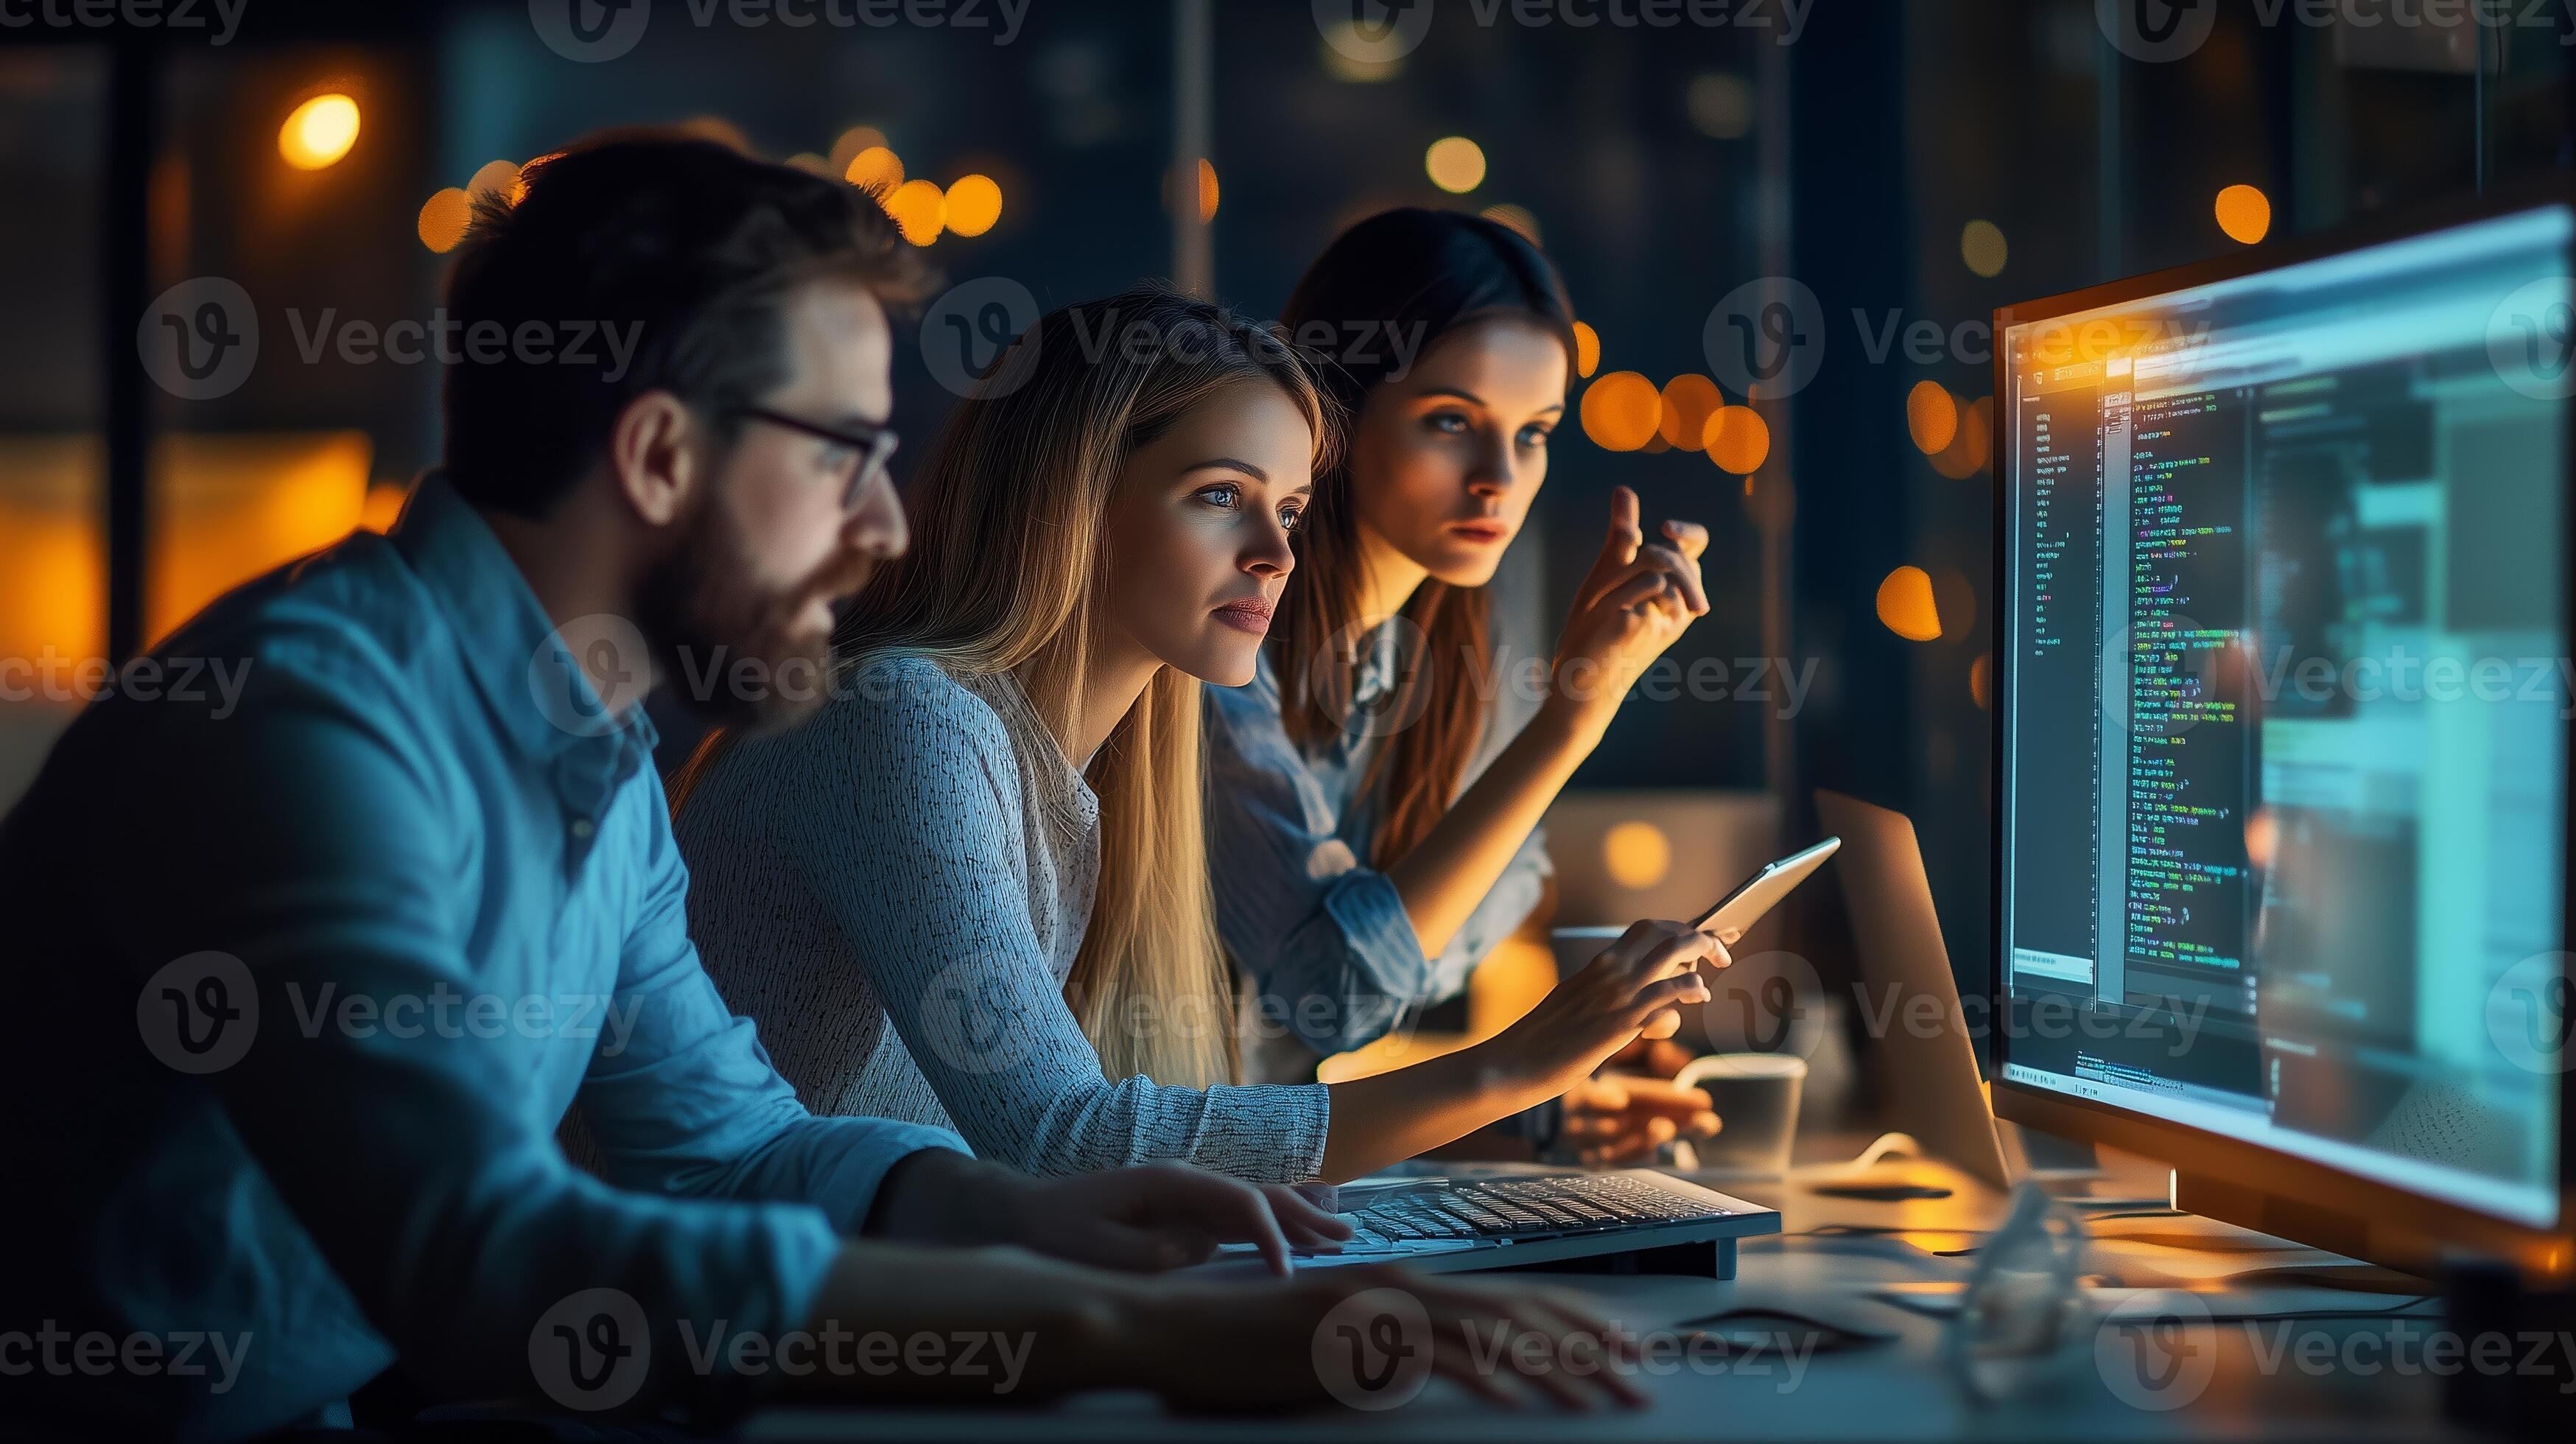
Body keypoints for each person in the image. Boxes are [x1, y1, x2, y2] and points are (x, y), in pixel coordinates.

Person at [0, 136, 1626, 1441]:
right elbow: (481, 1258)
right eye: (842, 451)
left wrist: (1032, 1215)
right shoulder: (314, 722)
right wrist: (1139, 1325)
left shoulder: (596, 753)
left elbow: (730, 1144)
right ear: (657, 457)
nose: (889, 525)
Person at [675, 284, 1728, 1188]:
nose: (1275, 551)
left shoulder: (1085, 762)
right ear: (1076, 503)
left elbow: (1165, 1124)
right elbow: (1058, 1141)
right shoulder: (904, 721)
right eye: (1220, 497)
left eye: (1290, 508)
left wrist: (1517, 1120)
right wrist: (1515, 1064)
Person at [1207, 207, 1729, 1163]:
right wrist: (1574, 716)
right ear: (1333, 413)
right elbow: (1334, 1002)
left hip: (1258, 1178)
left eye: (1532, 433)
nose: (1498, 477)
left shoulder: (1421, 667)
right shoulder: (1221, 655)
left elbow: (1307, 1046)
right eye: (1450, 422)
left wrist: (1523, 1119)